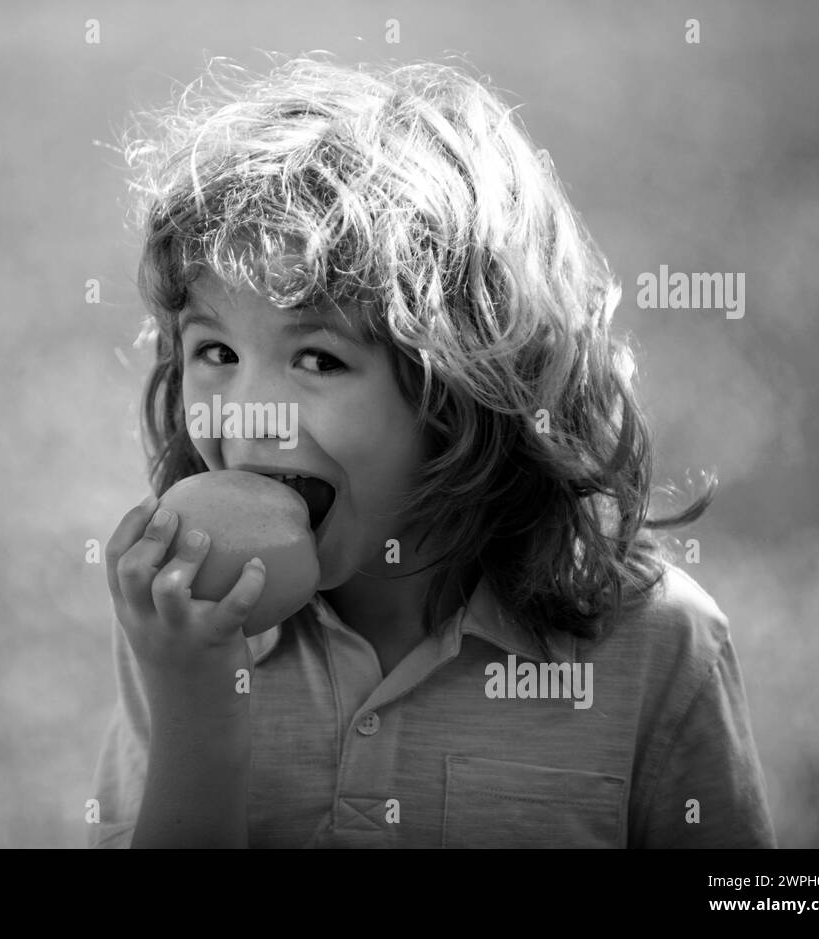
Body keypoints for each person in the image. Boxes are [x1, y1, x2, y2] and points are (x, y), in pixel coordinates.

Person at [88, 55, 776, 848]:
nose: (250, 411)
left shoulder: (657, 648)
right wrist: (194, 706)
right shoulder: (186, 625)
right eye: (215, 352)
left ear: (457, 393)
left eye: (318, 359)